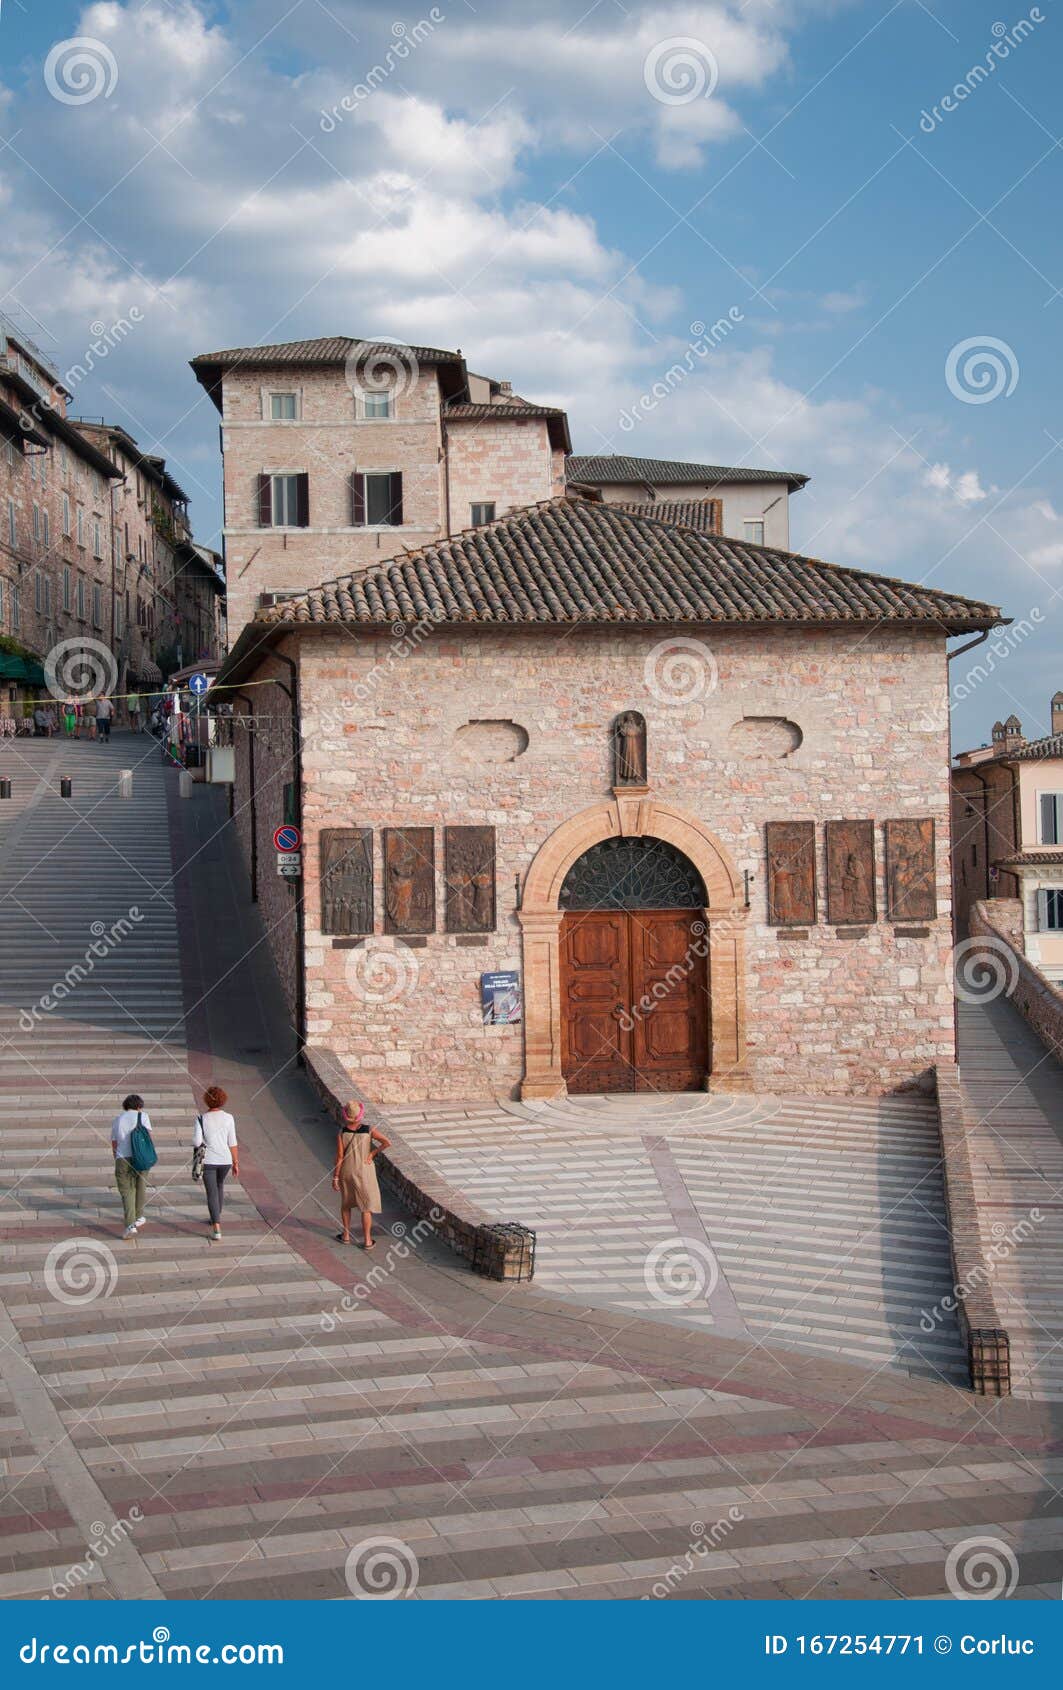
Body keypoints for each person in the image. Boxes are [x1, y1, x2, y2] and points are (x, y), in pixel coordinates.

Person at [332, 1101, 389, 1249]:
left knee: (346, 1204)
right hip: (364, 1171)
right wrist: (372, 1153)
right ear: (360, 1115)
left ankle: (345, 1235)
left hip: (347, 1170)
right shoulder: (368, 1130)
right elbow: (386, 1142)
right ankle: (368, 1241)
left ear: (346, 1116)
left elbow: (339, 1157)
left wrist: (335, 1177)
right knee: (366, 1207)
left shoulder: (342, 1132)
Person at [192, 1085, 239, 1242]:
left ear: (207, 1100)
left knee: (211, 1192)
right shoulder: (229, 1118)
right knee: (219, 1186)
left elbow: (197, 1142)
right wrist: (235, 1162)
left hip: (209, 1161)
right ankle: (215, 1216)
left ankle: (216, 1227)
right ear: (223, 1100)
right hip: (225, 1160)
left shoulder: (201, 1119)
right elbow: (232, 1142)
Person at [111, 1093, 153, 1239]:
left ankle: (130, 1225)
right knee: (141, 1186)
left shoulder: (118, 1119)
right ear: (139, 1106)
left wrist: (116, 1158)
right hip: (141, 1157)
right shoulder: (143, 1116)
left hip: (123, 1157)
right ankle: (139, 1216)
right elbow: (149, 1137)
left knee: (127, 1191)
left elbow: (114, 1143)